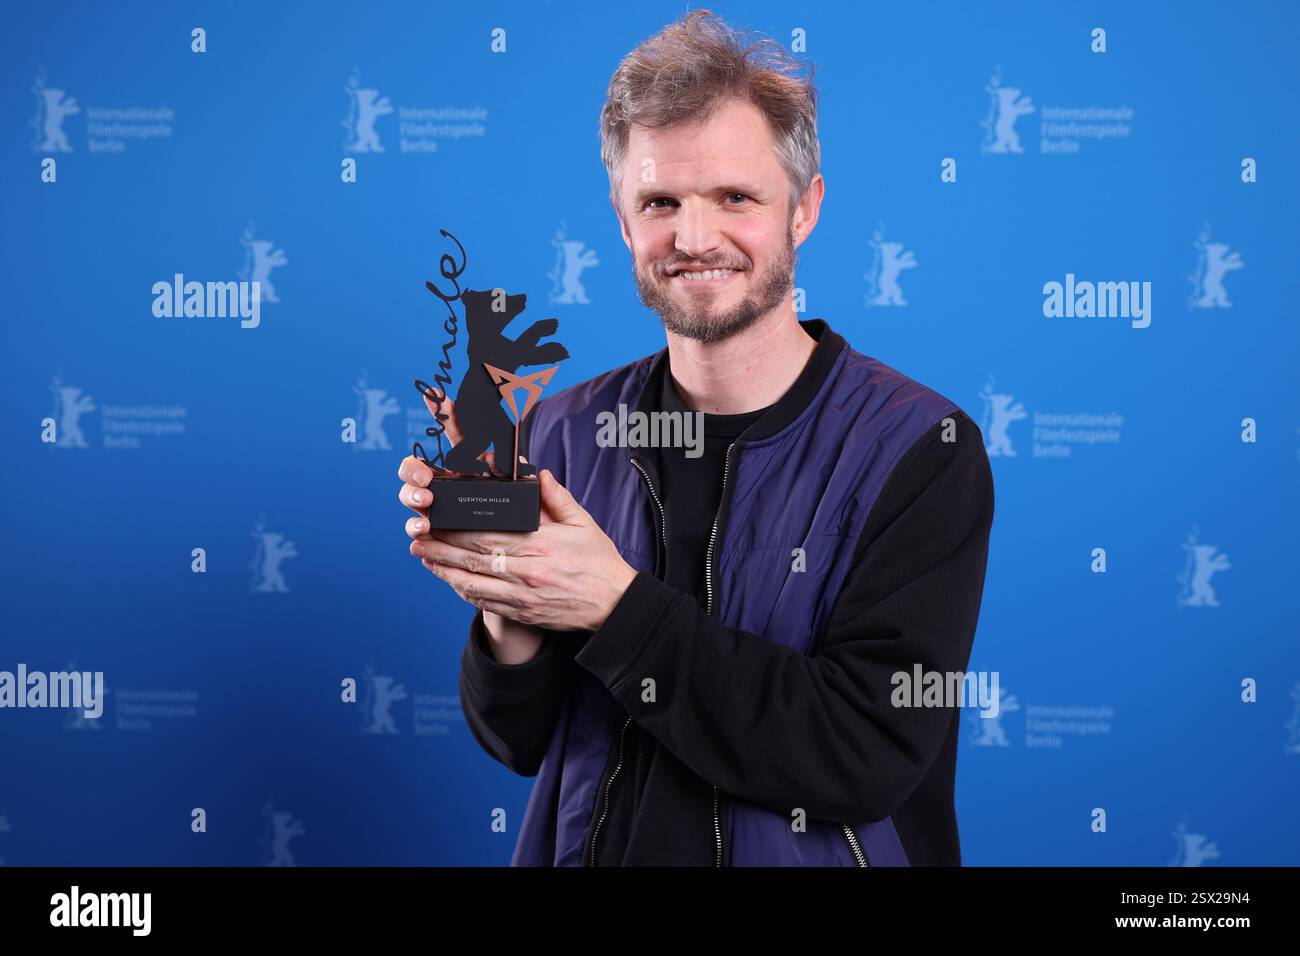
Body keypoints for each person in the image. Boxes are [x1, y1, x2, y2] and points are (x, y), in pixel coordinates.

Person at [397, 9, 994, 866]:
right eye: (661, 201)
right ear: (621, 216)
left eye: (735, 198)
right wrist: (508, 606)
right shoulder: (562, 432)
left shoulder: (920, 448)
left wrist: (610, 603)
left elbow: (864, 752)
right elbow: (518, 740)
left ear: (805, 209)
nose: (695, 237)